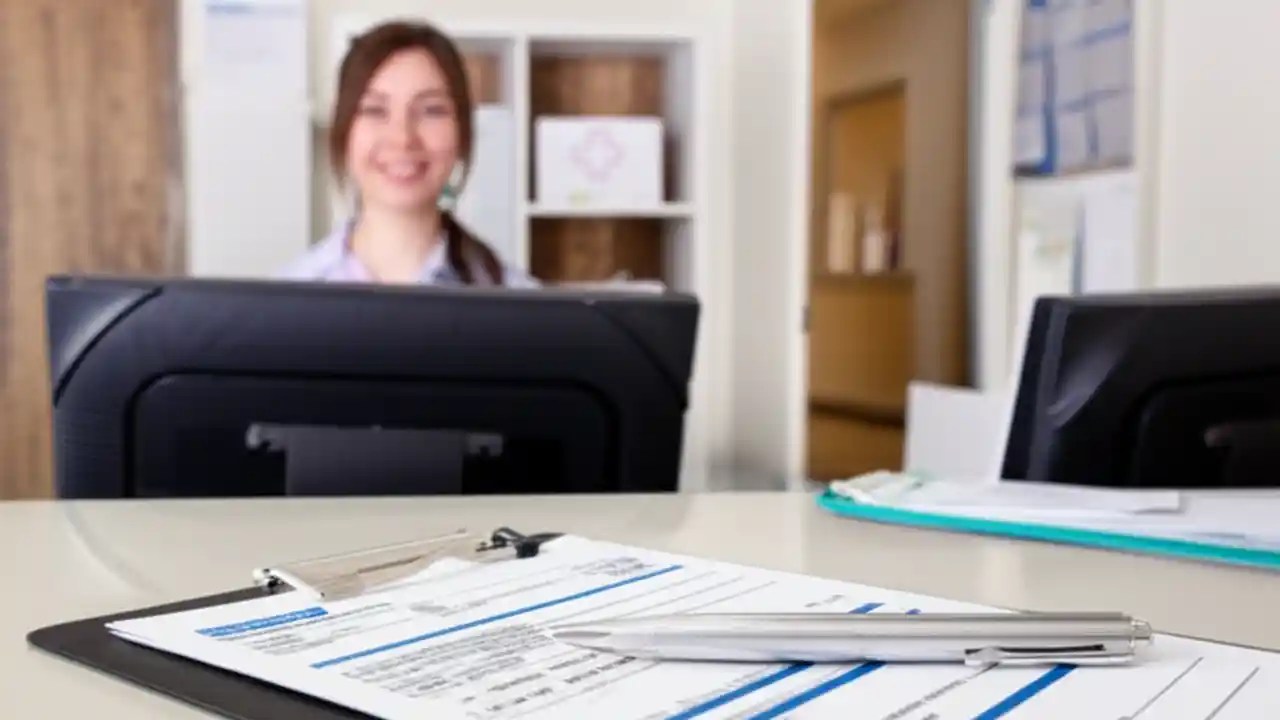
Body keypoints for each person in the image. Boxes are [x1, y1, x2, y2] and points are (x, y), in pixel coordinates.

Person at [281, 21, 535, 287]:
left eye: (431, 110)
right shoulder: (287, 301)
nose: (402, 138)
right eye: (375, 110)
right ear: (344, 132)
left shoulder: (527, 310)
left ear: (461, 133)